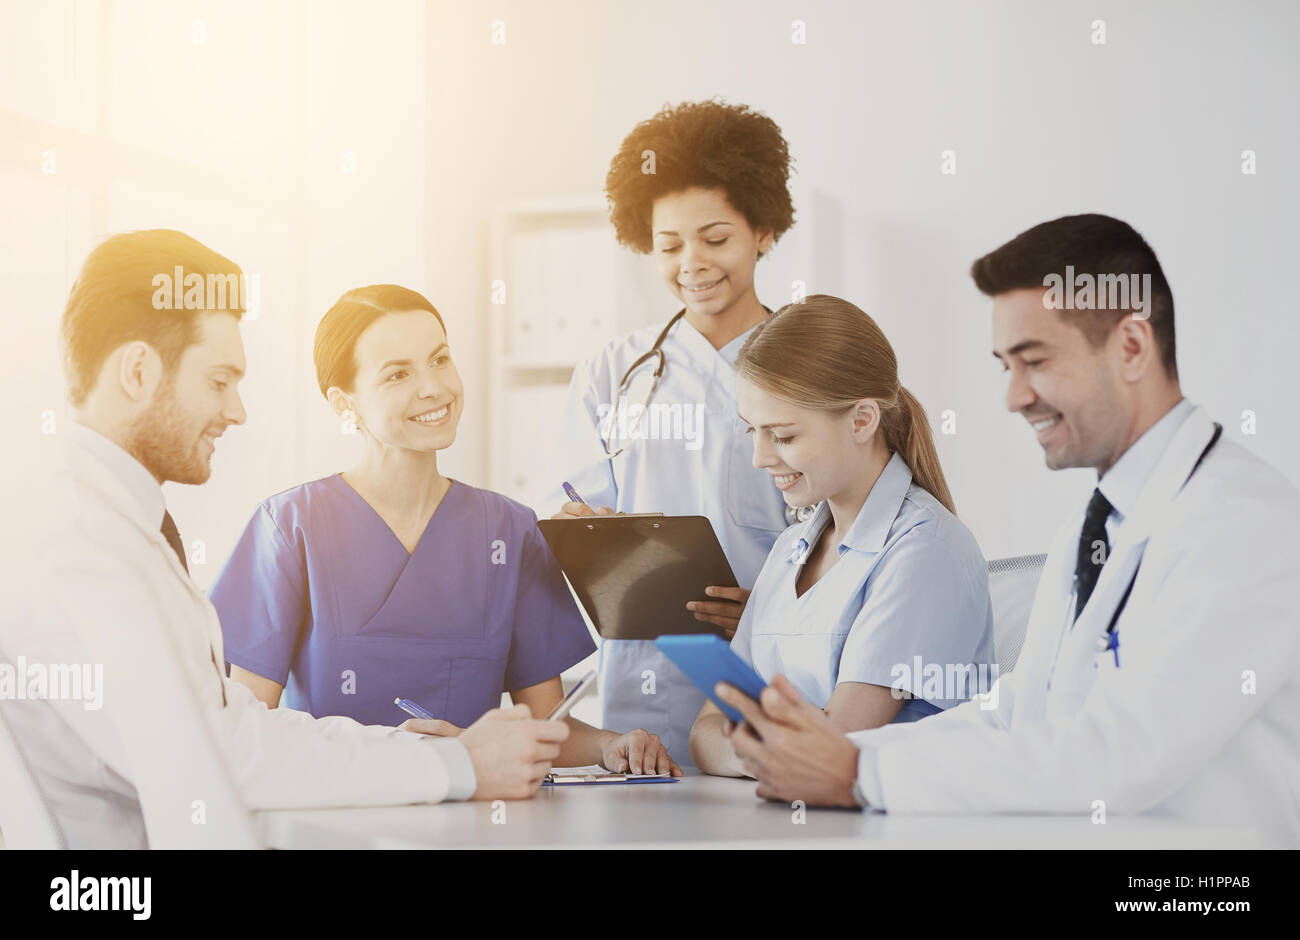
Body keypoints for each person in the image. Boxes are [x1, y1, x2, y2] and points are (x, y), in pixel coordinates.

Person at [709, 214, 1300, 846]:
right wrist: (845, 758)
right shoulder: (1097, 523)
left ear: (1131, 348)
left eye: (1035, 361)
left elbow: (1125, 755)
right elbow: (1018, 711)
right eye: (1004, 367)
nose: (1014, 397)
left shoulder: (1242, 523)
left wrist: (859, 769)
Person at [0, 230, 573, 849]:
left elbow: (237, 727)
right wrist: (457, 767)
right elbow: (220, 753)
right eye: (219, 381)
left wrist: (445, 753)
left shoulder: (117, 526)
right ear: (138, 371)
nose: (238, 410)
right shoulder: (76, 541)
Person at [211, 285, 679, 776]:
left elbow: (543, 723)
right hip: (336, 821)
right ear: (342, 402)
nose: (433, 387)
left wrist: (610, 746)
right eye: (398, 374)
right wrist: (409, 759)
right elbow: (248, 730)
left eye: (440, 359)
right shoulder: (291, 527)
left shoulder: (510, 532)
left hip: (473, 824)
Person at [551, 100, 796, 765]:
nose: (692, 263)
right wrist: (582, 529)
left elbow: (848, 531)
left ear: (764, 230)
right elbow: (589, 514)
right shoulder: (614, 372)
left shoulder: (807, 366)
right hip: (645, 692)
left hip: (778, 674)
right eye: (669, 245)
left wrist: (776, 614)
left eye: (715, 239)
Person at [689, 295, 995, 776]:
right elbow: (705, 732)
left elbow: (835, 748)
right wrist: (765, 751)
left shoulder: (924, 549)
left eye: (784, 436)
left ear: (861, 419)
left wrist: (748, 743)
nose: (760, 458)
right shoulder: (792, 548)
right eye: (753, 431)